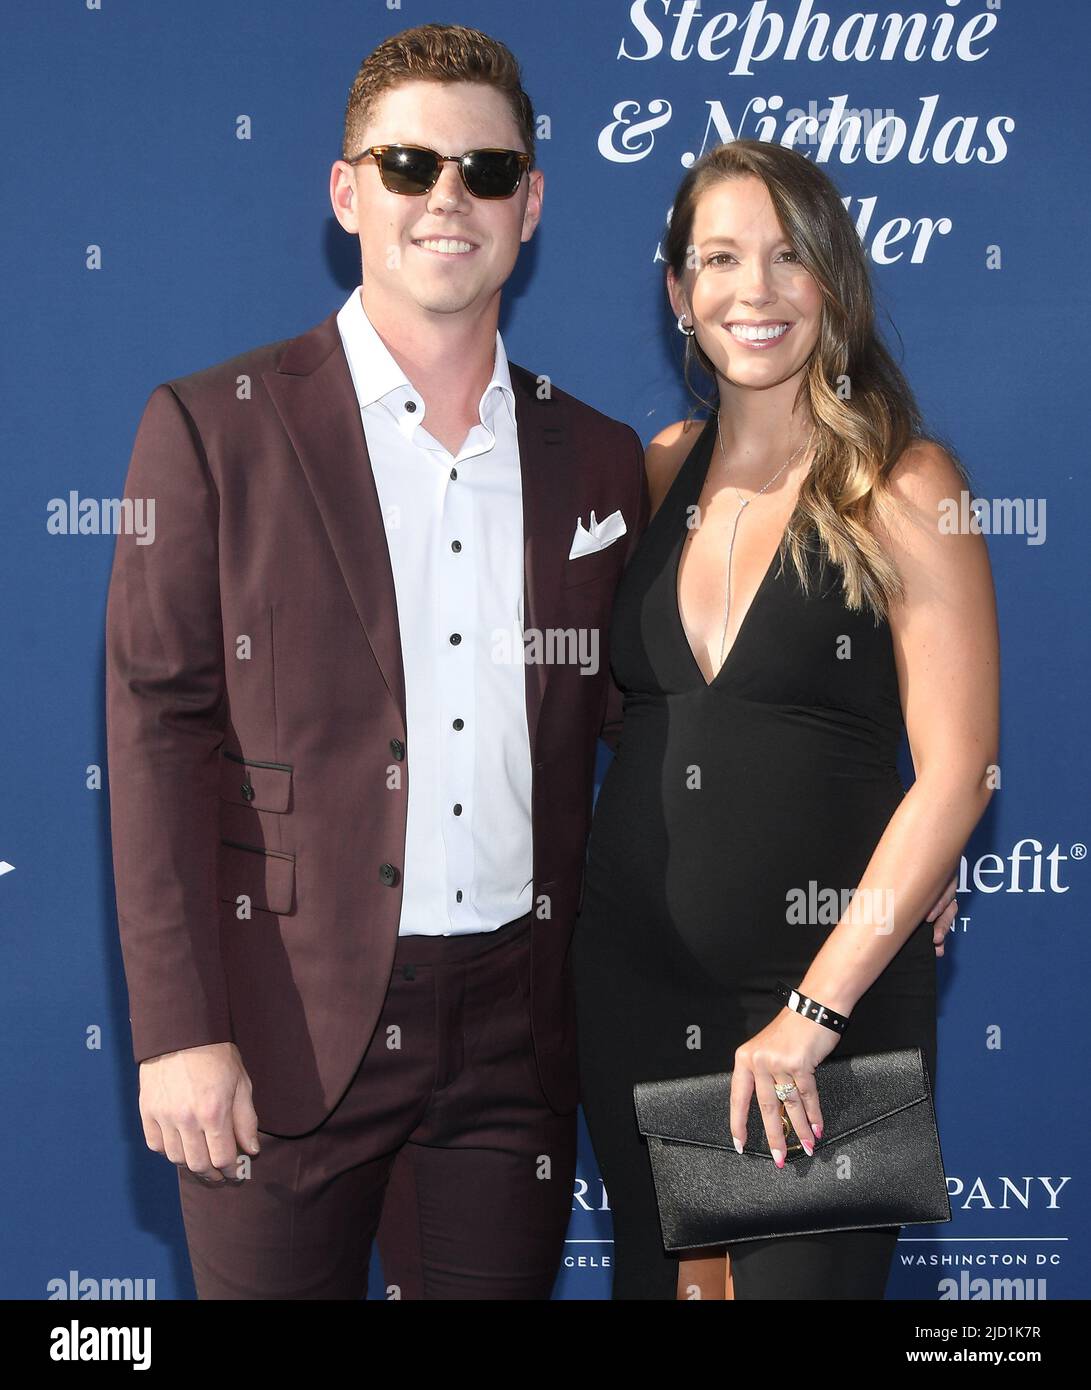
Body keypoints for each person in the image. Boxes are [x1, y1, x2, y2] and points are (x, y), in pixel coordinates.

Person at [104, 23, 652, 1299]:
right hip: (278, 1028)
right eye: (407, 166)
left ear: (532, 202)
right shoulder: (210, 429)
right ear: (348, 191)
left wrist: (843, 853)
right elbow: (156, 739)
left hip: (516, 1043)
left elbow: (662, 714)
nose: (445, 199)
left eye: (484, 169)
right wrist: (181, 1032)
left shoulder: (598, 455)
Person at [572, 138, 998, 1300]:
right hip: (630, 984)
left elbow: (955, 773)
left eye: (784, 257)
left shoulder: (903, 485)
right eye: (717, 258)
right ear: (677, 292)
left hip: (824, 996)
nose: (751, 291)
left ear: (832, 283)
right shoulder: (657, 472)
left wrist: (812, 1008)